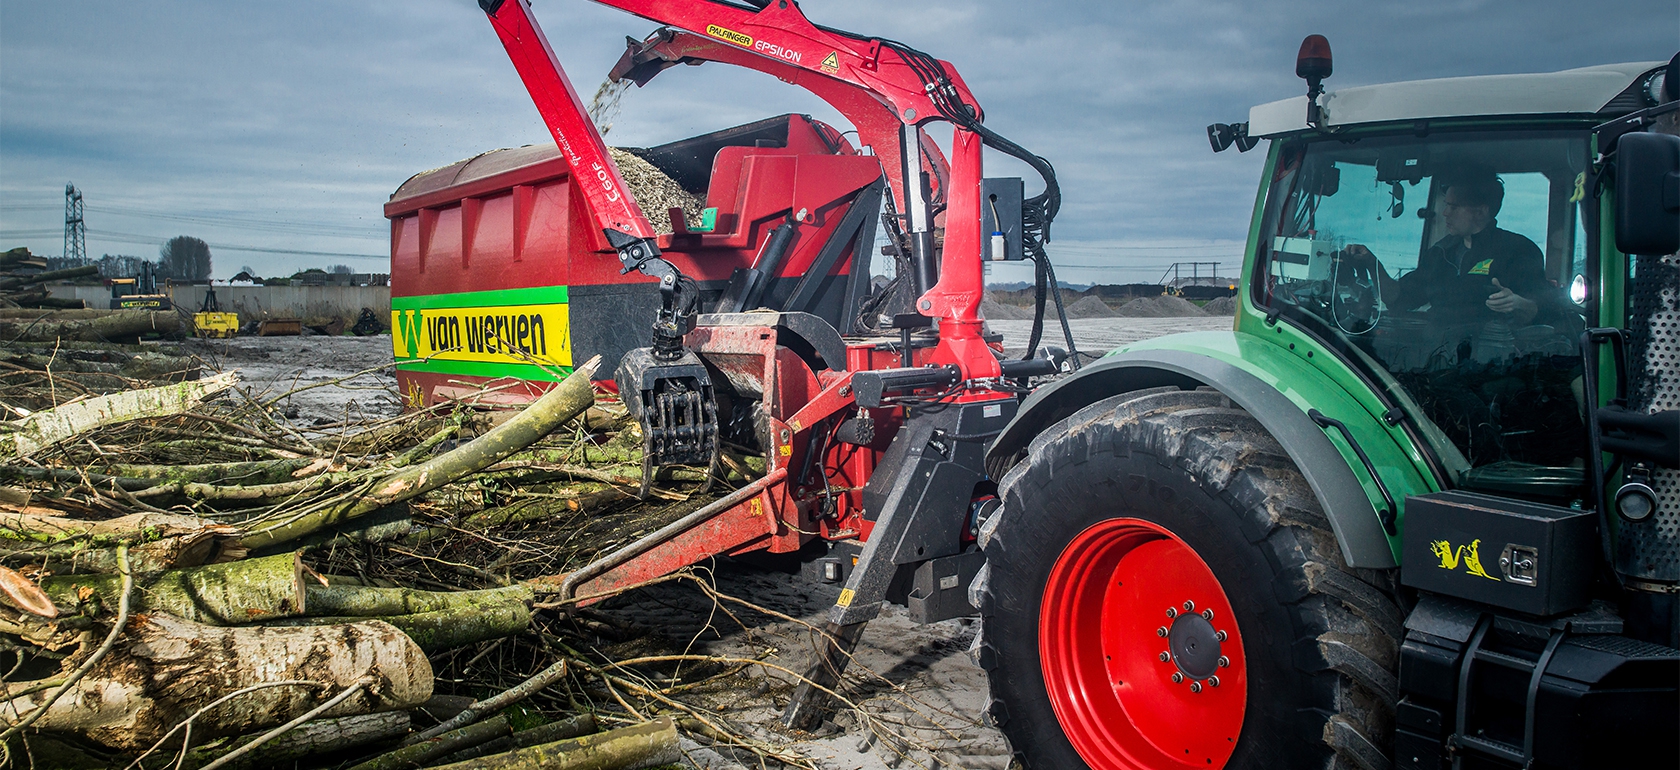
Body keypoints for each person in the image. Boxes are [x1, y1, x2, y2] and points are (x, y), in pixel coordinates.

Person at [1341, 167, 1562, 327]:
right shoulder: (1441, 253)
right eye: (1446, 205)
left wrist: (1519, 304)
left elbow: (1548, 310)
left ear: (1481, 211)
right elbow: (1399, 299)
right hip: (1435, 355)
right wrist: (1373, 264)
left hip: (1496, 359)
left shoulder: (1518, 251)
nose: (1445, 213)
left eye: (1454, 207)